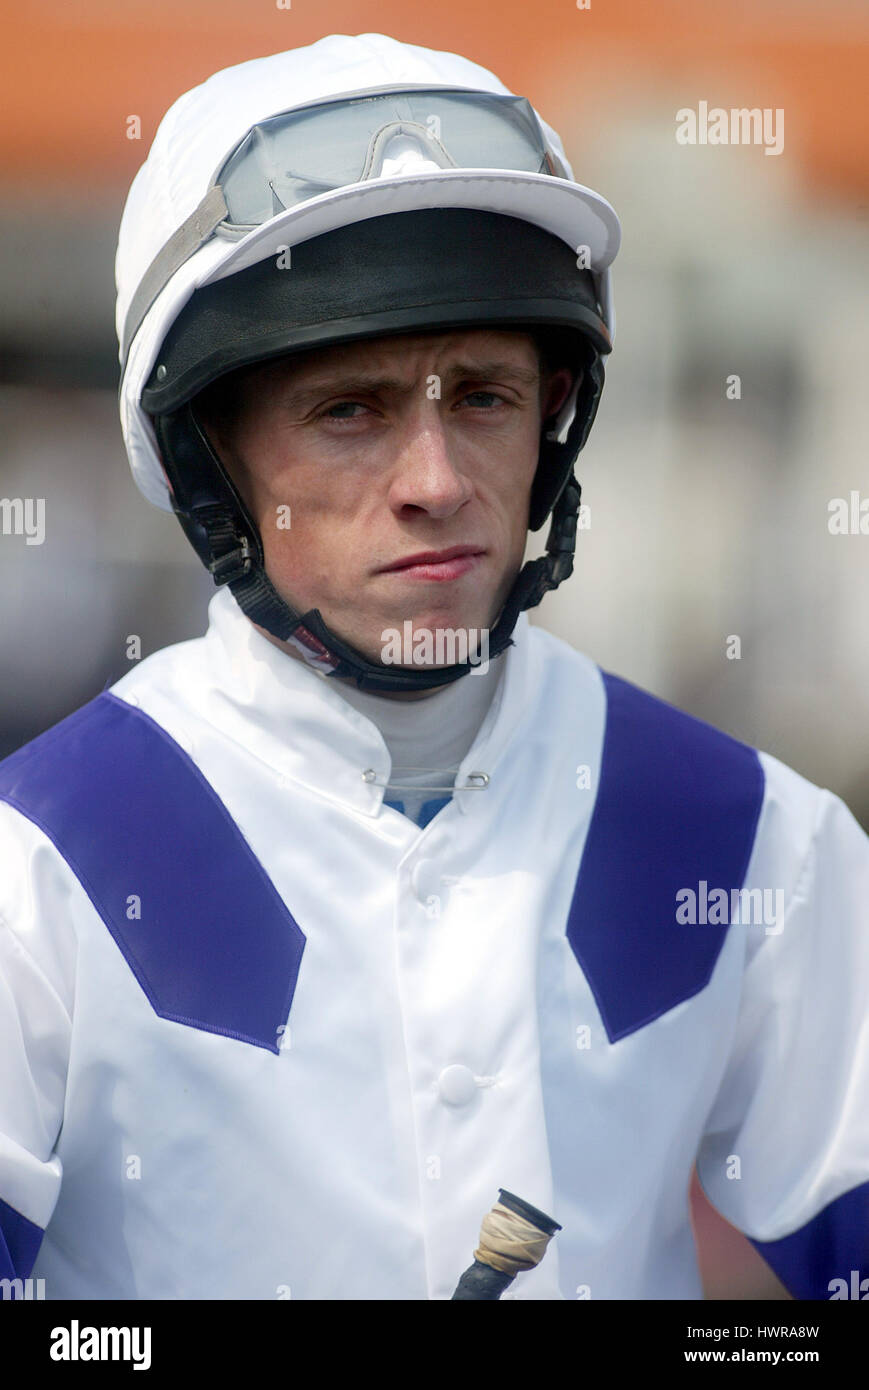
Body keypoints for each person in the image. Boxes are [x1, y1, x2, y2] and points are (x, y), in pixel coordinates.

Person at [0, 32, 866, 1303]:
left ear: (551, 425)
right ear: (207, 459)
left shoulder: (747, 836)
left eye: (482, 397)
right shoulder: (41, 866)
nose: (437, 484)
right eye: (349, 409)